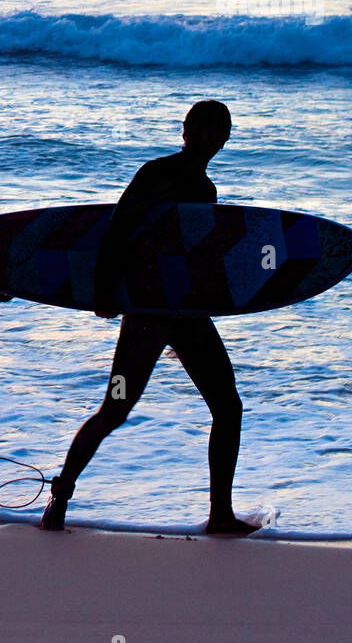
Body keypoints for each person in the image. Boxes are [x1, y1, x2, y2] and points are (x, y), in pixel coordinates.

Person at [39, 100, 256, 535]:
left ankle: (220, 515)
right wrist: (103, 290)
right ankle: (59, 496)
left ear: (226, 139)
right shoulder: (156, 172)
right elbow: (118, 229)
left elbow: (194, 255)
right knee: (115, 409)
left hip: (181, 313)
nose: (213, 138)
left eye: (220, 131)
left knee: (227, 406)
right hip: (148, 313)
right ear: (186, 131)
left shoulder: (205, 188)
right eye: (205, 129)